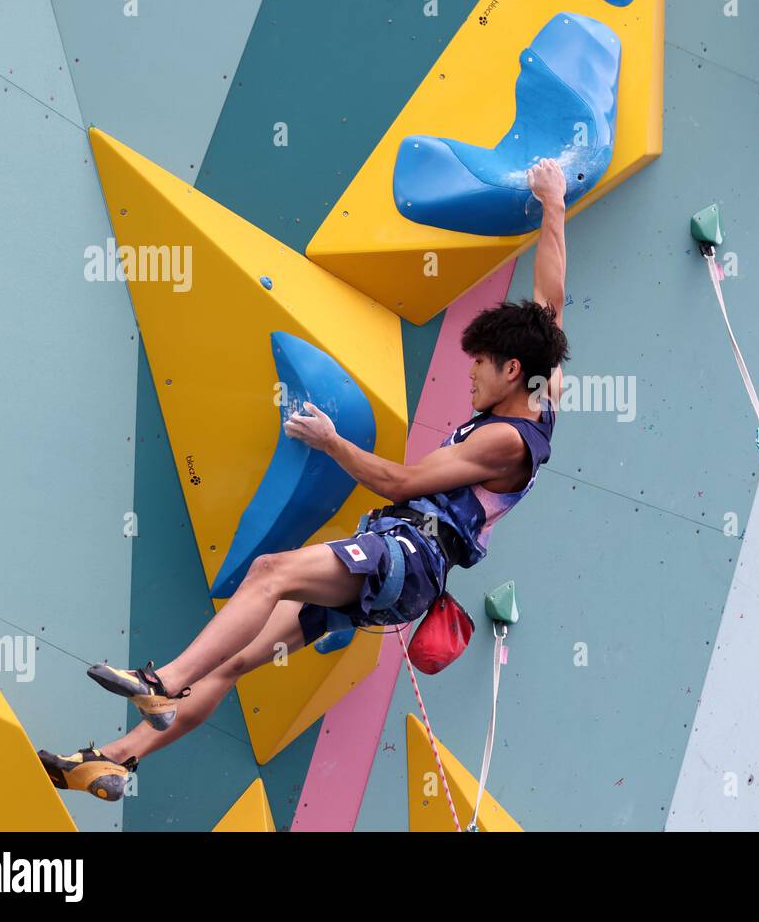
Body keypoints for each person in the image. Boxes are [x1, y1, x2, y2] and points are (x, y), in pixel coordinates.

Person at [39, 159, 571, 801]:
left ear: (512, 369)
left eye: (480, 367)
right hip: (402, 565)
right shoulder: (542, 390)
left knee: (270, 571)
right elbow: (551, 303)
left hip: (407, 555)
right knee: (235, 660)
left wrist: (330, 441)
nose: (471, 378)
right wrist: (553, 205)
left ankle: (162, 682)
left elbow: (399, 483)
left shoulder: (501, 440)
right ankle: (115, 760)